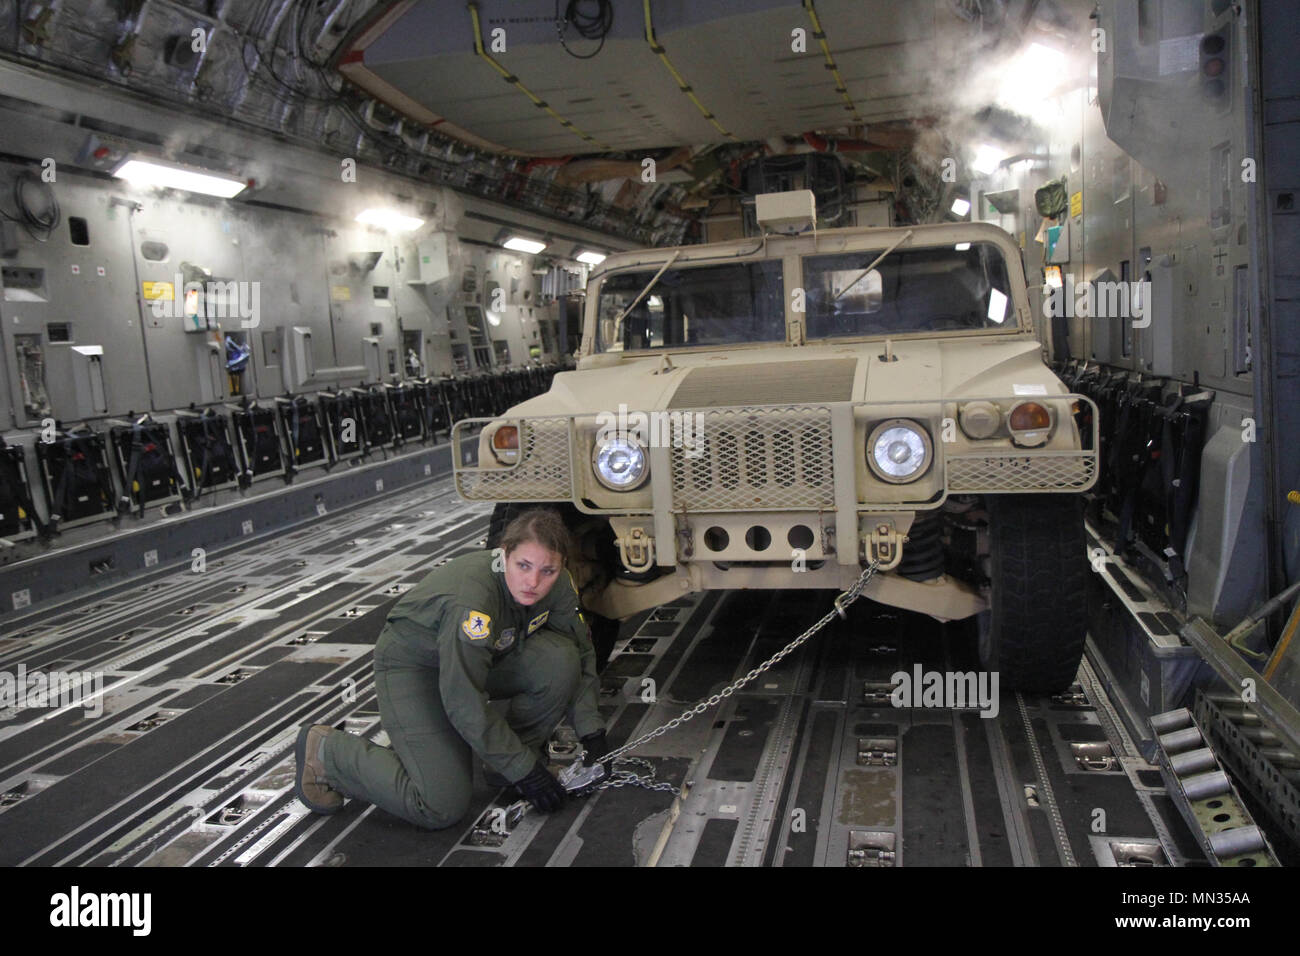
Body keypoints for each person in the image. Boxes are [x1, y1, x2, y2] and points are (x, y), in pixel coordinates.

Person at [293, 507, 611, 829]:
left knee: (560, 659)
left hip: (483, 658)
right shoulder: (472, 601)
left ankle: (506, 765)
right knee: (440, 805)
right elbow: (462, 697)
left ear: (561, 567)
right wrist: (525, 770)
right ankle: (327, 753)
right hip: (417, 669)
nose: (533, 582)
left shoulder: (557, 587)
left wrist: (592, 730)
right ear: (503, 555)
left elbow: (583, 652)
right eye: (523, 566)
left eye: (548, 571)